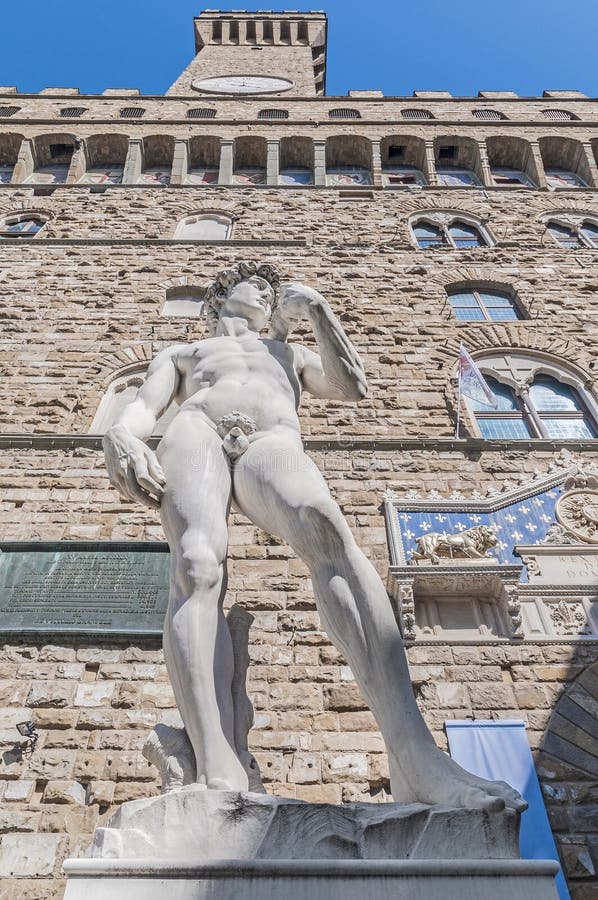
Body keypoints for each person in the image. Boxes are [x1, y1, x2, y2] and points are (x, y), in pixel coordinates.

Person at [103, 260, 524, 811]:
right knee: (197, 565)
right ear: (224, 295)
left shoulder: (290, 354)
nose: (268, 294)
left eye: (274, 291)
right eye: (258, 285)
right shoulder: (183, 354)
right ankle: (215, 768)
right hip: (196, 430)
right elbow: (142, 407)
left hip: (272, 437)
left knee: (325, 529)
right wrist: (121, 435)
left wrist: (321, 314)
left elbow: (352, 388)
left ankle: (415, 756)